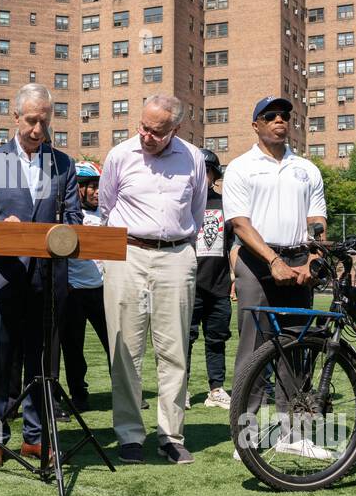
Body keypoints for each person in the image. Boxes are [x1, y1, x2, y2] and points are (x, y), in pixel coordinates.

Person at [0, 83, 81, 469]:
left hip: (48, 284)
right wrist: (2, 225)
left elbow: (74, 219)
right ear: (15, 118)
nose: (38, 129)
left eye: (45, 121)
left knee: (43, 366)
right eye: (31, 120)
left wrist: (58, 232)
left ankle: (36, 439)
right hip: (4, 279)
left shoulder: (63, 163)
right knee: (1, 365)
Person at [98, 95, 205, 465]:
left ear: (175, 129)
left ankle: (171, 436)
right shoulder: (118, 156)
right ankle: (129, 434)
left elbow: (196, 211)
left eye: (156, 132)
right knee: (125, 349)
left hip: (176, 255)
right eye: (142, 126)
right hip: (126, 253)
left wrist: (183, 249)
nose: (146, 135)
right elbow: (106, 208)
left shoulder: (193, 158)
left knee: (174, 350)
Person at [222, 95, 329, 460]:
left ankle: (294, 434)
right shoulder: (240, 167)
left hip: (298, 259)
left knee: (296, 347)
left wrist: (314, 256)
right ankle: (245, 436)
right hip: (256, 262)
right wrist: (272, 261)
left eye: (285, 115)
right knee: (253, 349)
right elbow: (240, 223)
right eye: (270, 116)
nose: (279, 120)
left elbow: (317, 219)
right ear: (256, 125)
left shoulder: (306, 169)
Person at [59, 160, 109, 413]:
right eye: (91, 186)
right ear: (77, 188)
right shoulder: (67, 218)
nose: (97, 191)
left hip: (102, 289)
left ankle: (124, 391)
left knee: (115, 344)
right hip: (73, 291)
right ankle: (79, 394)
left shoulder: (107, 214)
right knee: (73, 348)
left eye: (99, 186)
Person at [188, 149, 233, 410]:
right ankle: (181, 389)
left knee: (216, 339)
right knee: (185, 339)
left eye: (207, 170)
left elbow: (233, 244)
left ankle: (216, 389)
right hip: (189, 286)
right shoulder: (184, 203)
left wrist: (234, 277)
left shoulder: (225, 205)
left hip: (219, 286)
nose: (202, 175)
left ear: (215, 174)